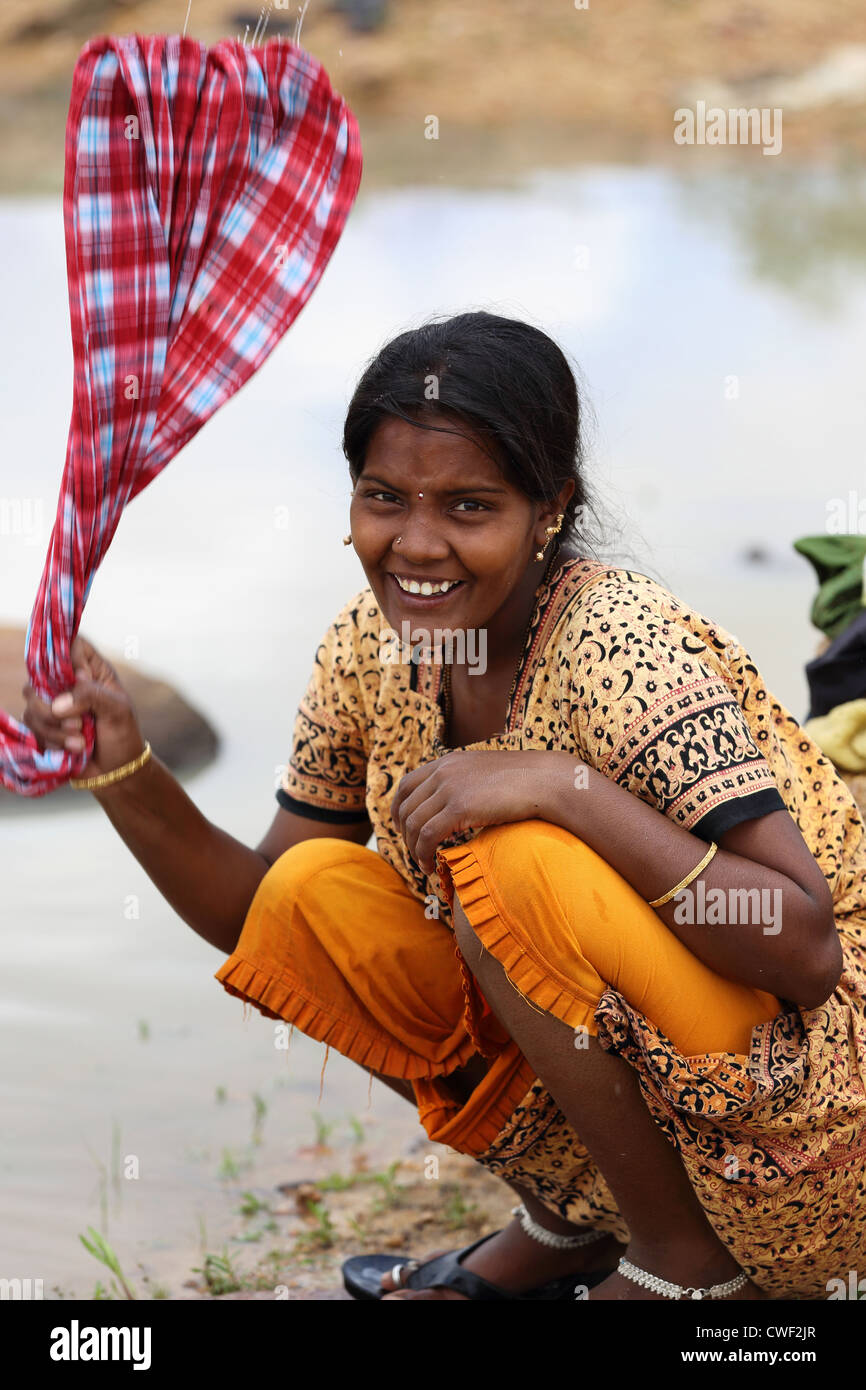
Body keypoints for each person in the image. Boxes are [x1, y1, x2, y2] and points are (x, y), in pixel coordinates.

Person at [23, 312, 866, 1301]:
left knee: (509, 858)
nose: (415, 544)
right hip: (673, 1097)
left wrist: (563, 786)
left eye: (468, 507)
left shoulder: (616, 643)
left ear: (547, 510)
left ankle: (684, 1263)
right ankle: (568, 1221)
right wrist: (126, 768)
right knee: (312, 892)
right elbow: (265, 915)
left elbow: (804, 942)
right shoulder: (365, 645)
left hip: (817, 1115)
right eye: (384, 498)